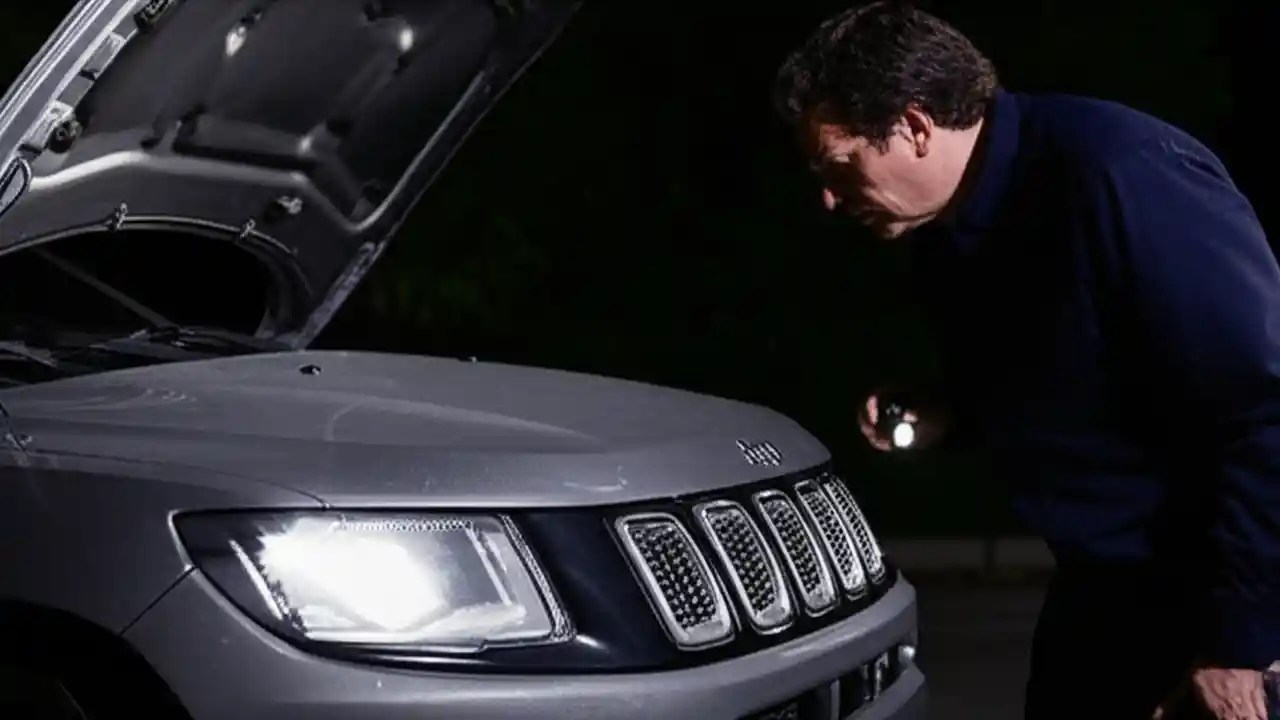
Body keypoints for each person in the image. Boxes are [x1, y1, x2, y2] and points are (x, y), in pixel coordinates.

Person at [772, 2, 1280, 719]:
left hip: (1217, 606)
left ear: (915, 127)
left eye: (839, 163)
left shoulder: (1120, 174)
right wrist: (950, 412)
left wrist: (1241, 642)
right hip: (1102, 601)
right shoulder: (956, 226)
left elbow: (1261, 408)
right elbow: (1082, 378)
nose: (828, 198)